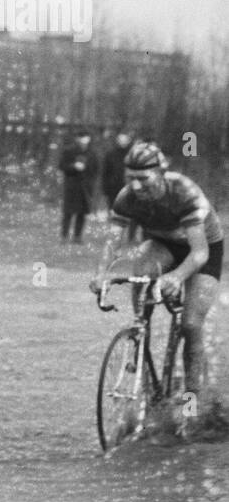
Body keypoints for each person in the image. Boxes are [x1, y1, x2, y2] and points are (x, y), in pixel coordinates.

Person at [89, 141, 223, 413]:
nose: (136, 186)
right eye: (131, 179)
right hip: (162, 243)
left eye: (143, 179)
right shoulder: (127, 198)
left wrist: (176, 277)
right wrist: (102, 273)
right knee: (142, 268)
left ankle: (194, 398)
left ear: (161, 172)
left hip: (203, 248)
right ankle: (141, 350)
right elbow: (112, 241)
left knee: (190, 323)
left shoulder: (184, 192)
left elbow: (198, 254)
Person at [58, 131, 98, 243]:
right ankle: (64, 236)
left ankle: (77, 236)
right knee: (68, 213)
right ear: (77, 139)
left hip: (85, 187)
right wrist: (73, 166)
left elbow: (95, 169)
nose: (84, 140)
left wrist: (90, 180)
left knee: (82, 213)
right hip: (72, 186)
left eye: (86, 137)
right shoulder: (69, 151)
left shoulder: (91, 153)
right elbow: (62, 166)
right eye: (81, 137)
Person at [101, 130, 137, 243]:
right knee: (114, 213)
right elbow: (105, 173)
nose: (123, 141)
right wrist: (105, 188)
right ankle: (113, 236)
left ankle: (128, 236)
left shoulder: (133, 155)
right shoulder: (110, 154)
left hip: (129, 188)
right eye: (121, 139)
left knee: (129, 213)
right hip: (113, 189)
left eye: (125, 139)